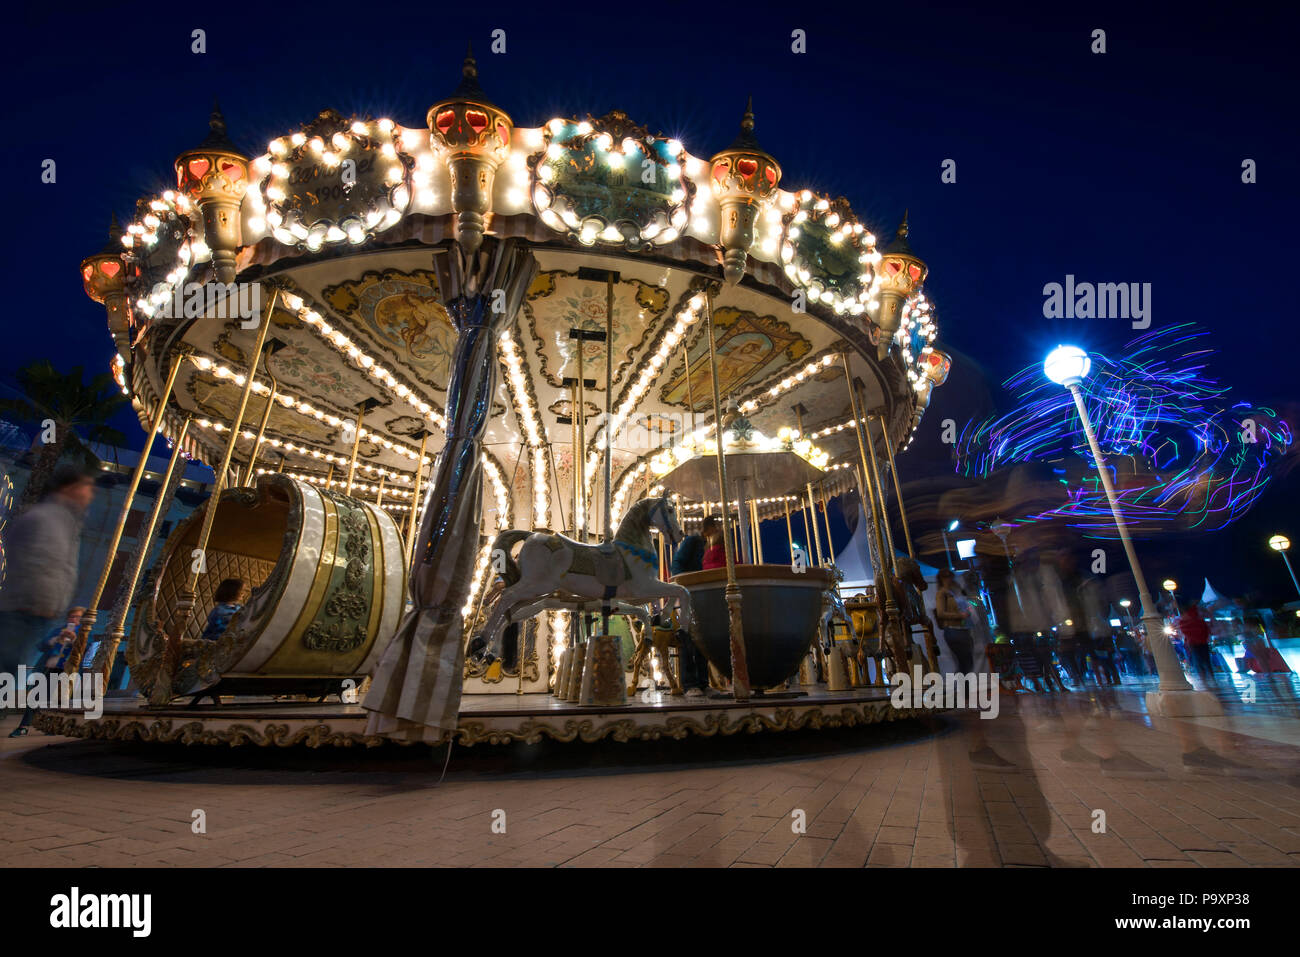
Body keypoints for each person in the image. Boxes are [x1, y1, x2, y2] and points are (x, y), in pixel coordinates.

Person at [0, 465, 94, 684]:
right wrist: (42, 602)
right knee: (6, 663)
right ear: (71, 488)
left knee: (10, 665)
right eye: (87, 487)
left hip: (36, 609)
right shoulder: (46, 518)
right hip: (25, 607)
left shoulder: (66, 521)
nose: (90, 494)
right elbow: (38, 563)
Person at [8, 606, 84, 737]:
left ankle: (51, 727)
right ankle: (23, 726)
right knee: (35, 696)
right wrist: (55, 639)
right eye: (71, 616)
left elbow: (85, 650)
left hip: (66, 670)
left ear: (81, 620)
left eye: (77, 617)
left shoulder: (83, 633)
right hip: (48, 666)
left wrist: (74, 639)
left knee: (57, 699)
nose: (73, 619)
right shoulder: (58, 630)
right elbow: (41, 645)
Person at [668, 515, 717, 697]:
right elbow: (677, 564)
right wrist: (685, 584)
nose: (718, 531)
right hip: (687, 594)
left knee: (701, 641)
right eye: (716, 527)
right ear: (710, 527)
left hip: (698, 595)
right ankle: (689, 684)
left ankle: (703, 682)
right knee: (687, 639)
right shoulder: (693, 541)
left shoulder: (705, 544)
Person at [935, 568, 975, 673]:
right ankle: (964, 687)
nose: (949, 579)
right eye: (946, 577)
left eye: (949, 576)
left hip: (963, 629)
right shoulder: (942, 594)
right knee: (964, 662)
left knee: (967, 662)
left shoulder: (954, 591)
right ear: (941, 579)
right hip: (953, 630)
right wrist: (959, 615)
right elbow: (940, 613)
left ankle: (965, 687)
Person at [1178, 597, 1215, 686]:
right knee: (1206, 661)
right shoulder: (1197, 616)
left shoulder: (1185, 619)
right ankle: (1211, 679)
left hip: (1194, 643)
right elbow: (1204, 627)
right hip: (1202, 641)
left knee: (1198, 661)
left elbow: (1185, 630)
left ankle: (1204, 680)